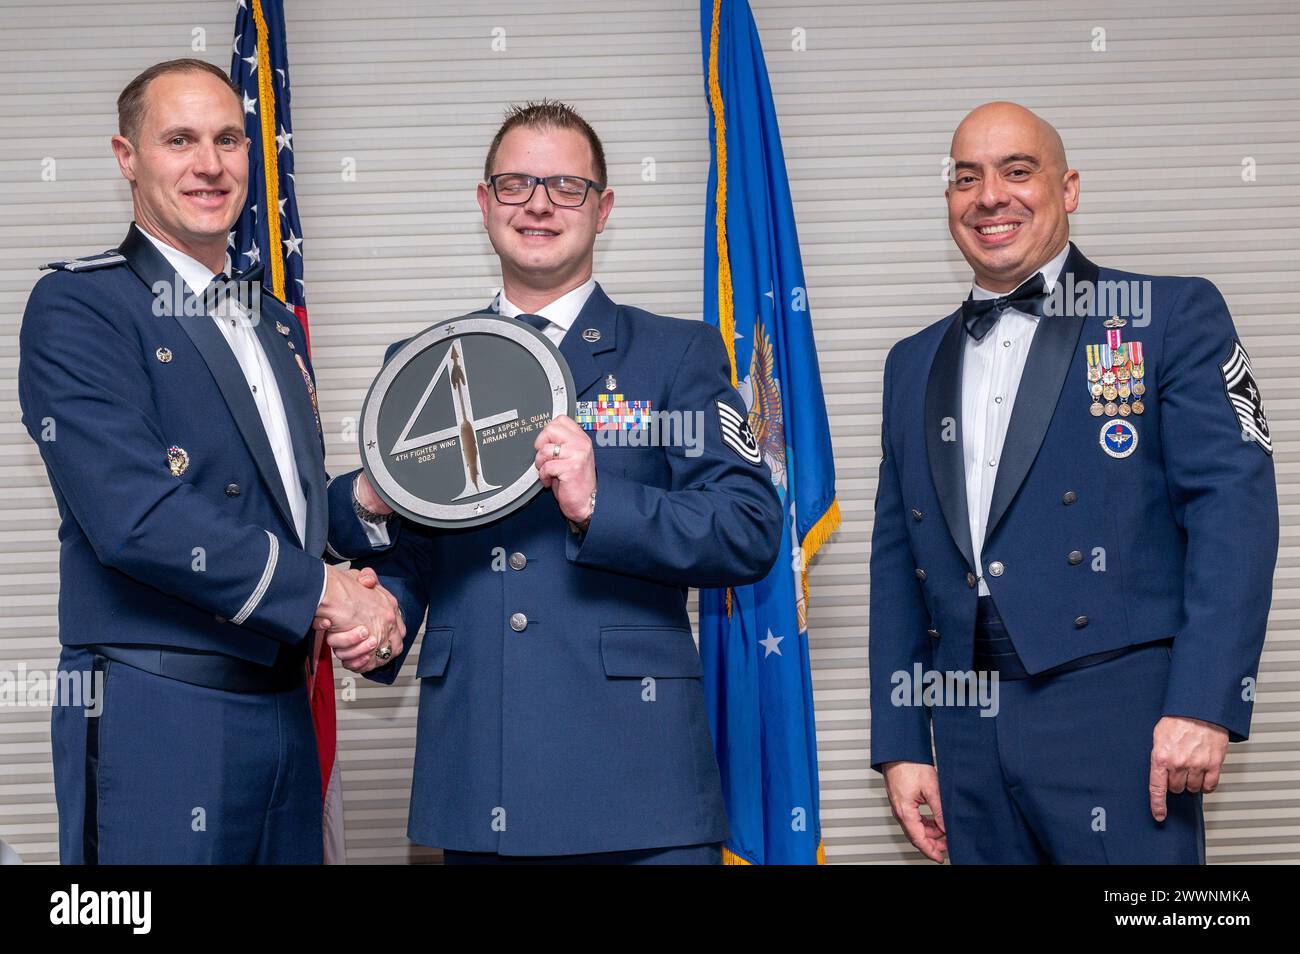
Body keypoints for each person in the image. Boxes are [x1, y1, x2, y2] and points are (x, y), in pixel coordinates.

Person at [320, 100, 783, 864]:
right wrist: (383, 614)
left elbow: (749, 527)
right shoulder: (424, 363)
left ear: (604, 210)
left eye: (567, 186)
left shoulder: (675, 354)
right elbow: (414, 557)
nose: (538, 203)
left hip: (639, 793)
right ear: (483, 203)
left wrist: (601, 503)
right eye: (515, 184)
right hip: (477, 780)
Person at [869, 102, 1278, 864]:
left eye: (1017, 171)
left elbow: (1234, 515)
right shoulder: (910, 361)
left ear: (1070, 187)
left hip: (1121, 714)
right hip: (963, 719)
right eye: (967, 178)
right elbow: (899, 560)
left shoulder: (1167, 316)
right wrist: (901, 742)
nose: (990, 196)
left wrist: (1203, 703)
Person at [18, 58, 403, 864]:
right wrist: (324, 591)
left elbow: (273, 513)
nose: (210, 164)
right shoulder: (81, 305)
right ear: (128, 157)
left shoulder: (269, 321)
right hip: (158, 714)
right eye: (180, 139)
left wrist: (367, 500)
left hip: (281, 713)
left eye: (229, 139)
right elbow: (135, 516)